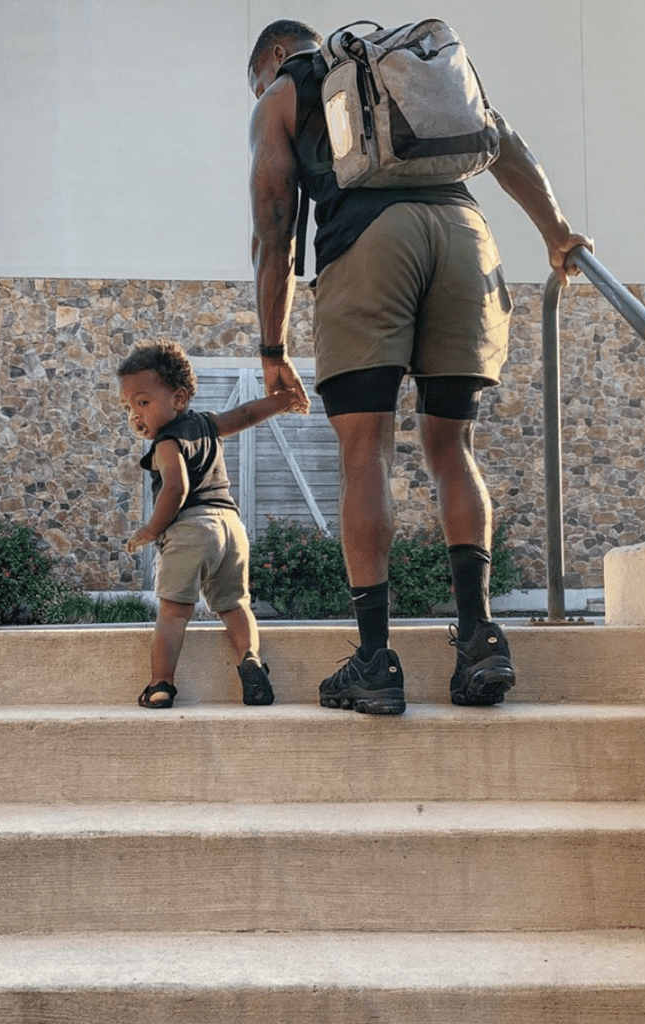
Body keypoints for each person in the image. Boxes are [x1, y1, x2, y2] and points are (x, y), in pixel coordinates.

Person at [247, 19, 592, 715]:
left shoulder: (286, 88)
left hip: (368, 244)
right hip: (463, 238)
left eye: (257, 78)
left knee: (364, 452)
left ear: (278, 54)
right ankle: (479, 639)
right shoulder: (414, 69)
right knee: (449, 447)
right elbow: (505, 145)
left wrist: (271, 347)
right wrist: (556, 234)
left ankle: (373, 661)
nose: (259, 92)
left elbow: (274, 224)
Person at [118, 340, 307, 708]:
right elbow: (248, 414)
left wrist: (151, 529)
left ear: (178, 398)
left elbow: (176, 487)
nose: (135, 415)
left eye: (143, 402)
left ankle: (160, 685)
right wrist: (285, 400)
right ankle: (250, 660)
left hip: (191, 529)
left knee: (173, 613)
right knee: (235, 606)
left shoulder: (166, 442)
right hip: (231, 528)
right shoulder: (207, 424)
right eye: (128, 407)